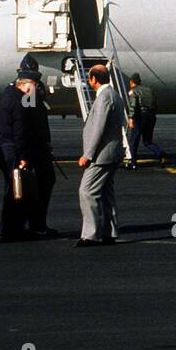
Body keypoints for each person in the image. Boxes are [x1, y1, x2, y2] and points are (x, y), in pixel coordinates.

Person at [0, 54, 57, 241]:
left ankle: (18, 228)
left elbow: (34, 117)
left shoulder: (15, 94)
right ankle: (17, 229)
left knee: (17, 190)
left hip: (15, 149)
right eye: (33, 85)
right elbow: (21, 129)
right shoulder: (18, 100)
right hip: (16, 150)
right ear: (25, 83)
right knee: (17, 191)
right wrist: (22, 156)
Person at [76, 65, 124, 247]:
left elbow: (99, 128)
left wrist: (88, 154)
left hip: (101, 156)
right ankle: (110, 232)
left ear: (94, 79)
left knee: (87, 191)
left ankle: (91, 234)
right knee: (106, 193)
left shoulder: (104, 97)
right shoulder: (113, 94)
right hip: (111, 153)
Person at [126, 73, 166, 168]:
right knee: (147, 141)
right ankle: (160, 153)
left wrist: (131, 118)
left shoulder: (133, 91)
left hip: (140, 117)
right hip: (151, 116)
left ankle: (133, 163)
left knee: (134, 141)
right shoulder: (149, 90)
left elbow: (133, 105)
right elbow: (154, 104)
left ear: (131, 82)